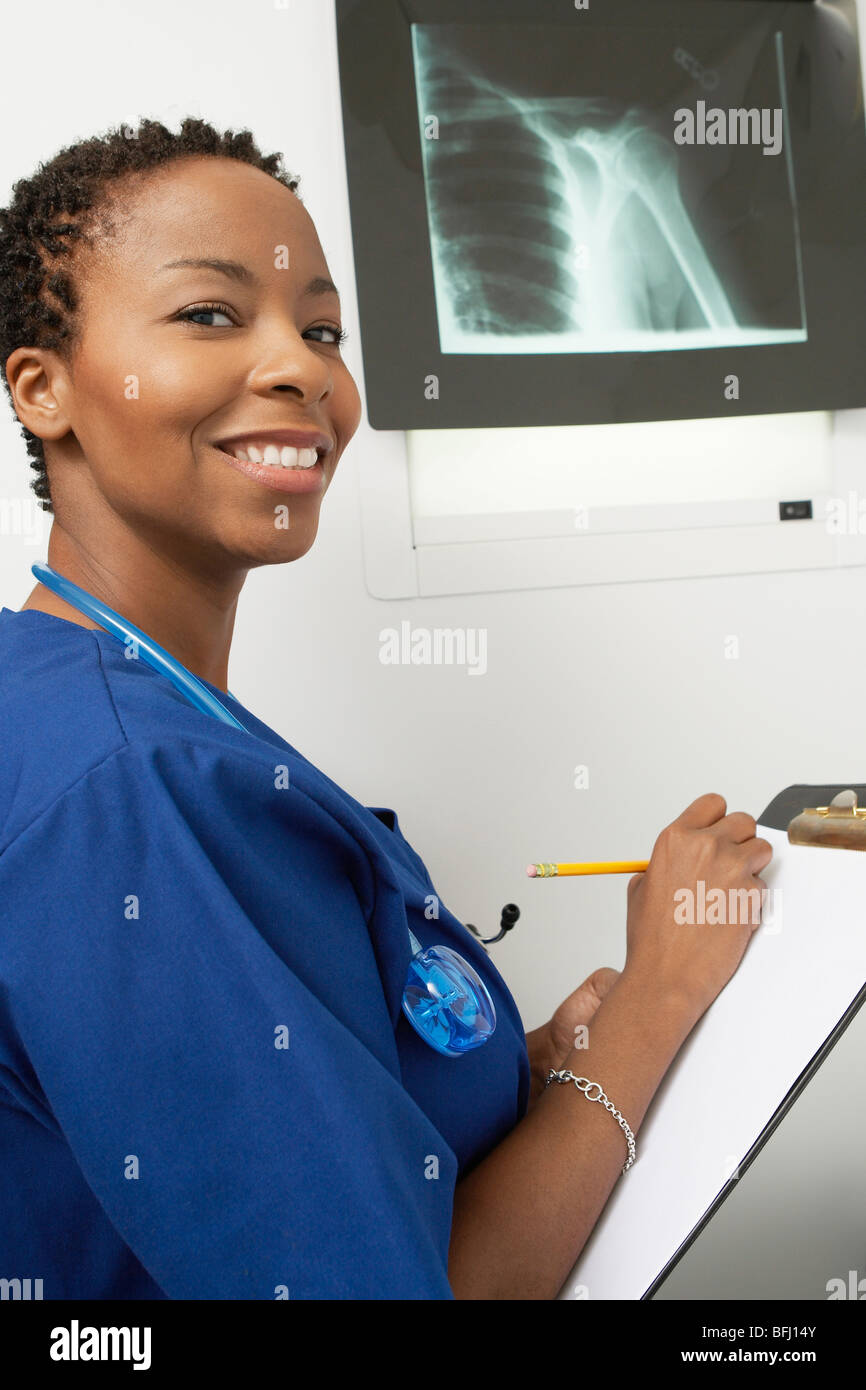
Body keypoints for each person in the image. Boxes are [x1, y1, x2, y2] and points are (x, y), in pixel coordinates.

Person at [0, 117, 772, 1300]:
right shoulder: (130, 787)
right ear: (44, 388)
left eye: (321, 330)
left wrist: (531, 1074)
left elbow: (293, 1148)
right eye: (211, 314)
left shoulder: (103, 700)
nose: (304, 368)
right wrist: (657, 997)